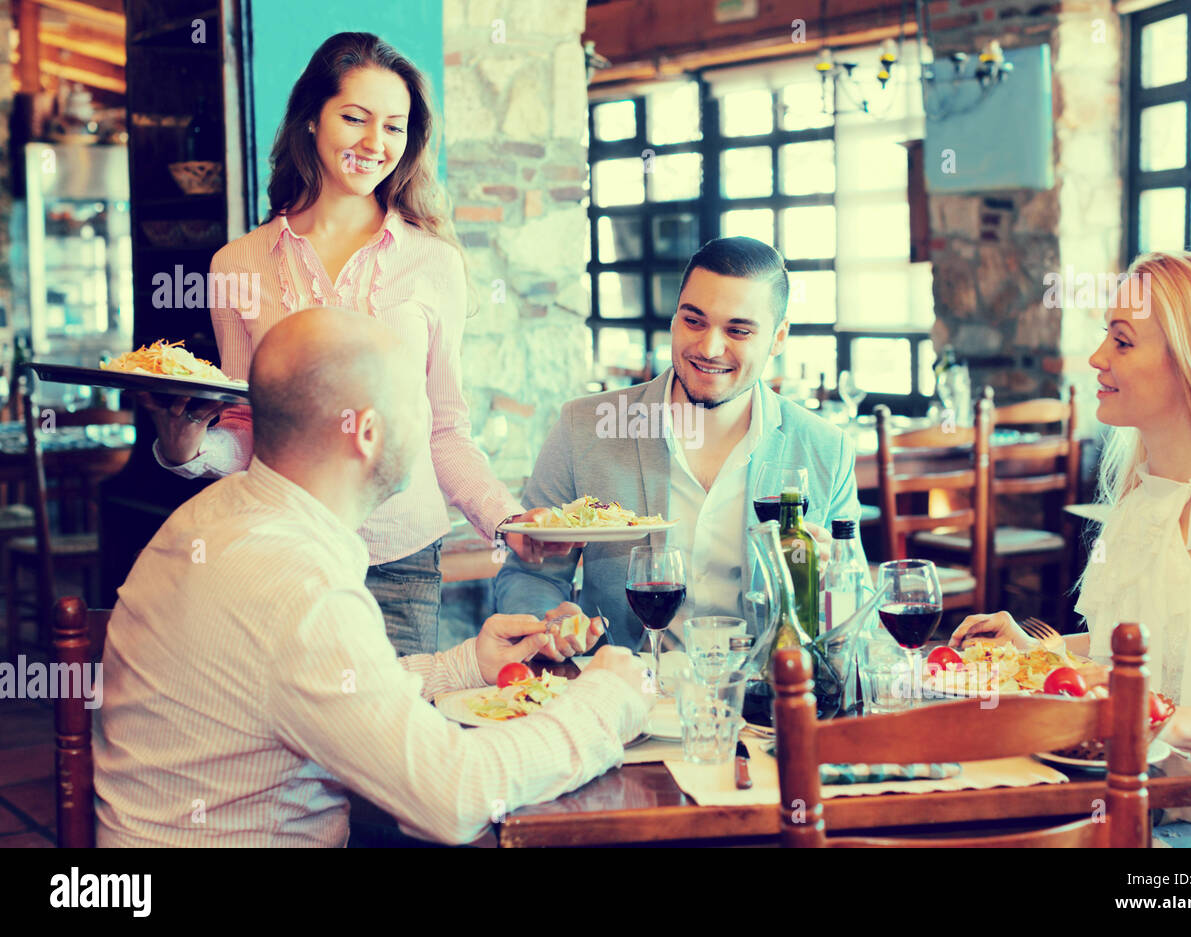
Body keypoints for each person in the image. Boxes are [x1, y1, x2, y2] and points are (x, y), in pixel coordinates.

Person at [94, 308, 651, 847]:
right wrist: (605, 700)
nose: (431, 421)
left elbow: (308, 690)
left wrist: (461, 668)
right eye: (415, 400)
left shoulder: (222, 516)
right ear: (365, 432)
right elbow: (455, 796)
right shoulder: (296, 584)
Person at [138, 32, 559, 657]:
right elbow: (247, 428)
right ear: (312, 117)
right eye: (354, 118)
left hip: (401, 561)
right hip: (281, 550)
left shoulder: (434, 264)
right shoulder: (236, 265)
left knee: (395, 741)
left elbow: (443, 427)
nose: (375, 143)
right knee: (289, 750)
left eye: (394, 126)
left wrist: (506, 520)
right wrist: (182, 446)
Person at [950, 250, 1191, 847]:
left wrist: (1160, 721)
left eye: (1123, 342)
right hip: (1136, 801)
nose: (1096, 359)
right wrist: (1037, 651)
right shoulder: (1145, 491)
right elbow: (1145, 647)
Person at [493, 237, 863, 648]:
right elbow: (529, 574)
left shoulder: (826, 449)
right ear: (674, 319)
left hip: (768, 698)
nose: (709, 348)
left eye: (738, 330)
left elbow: (854, 614)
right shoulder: (584, 427)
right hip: (620, 693)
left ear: (778, 339)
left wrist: (831, 586)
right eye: (694, 321)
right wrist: (549, 622)